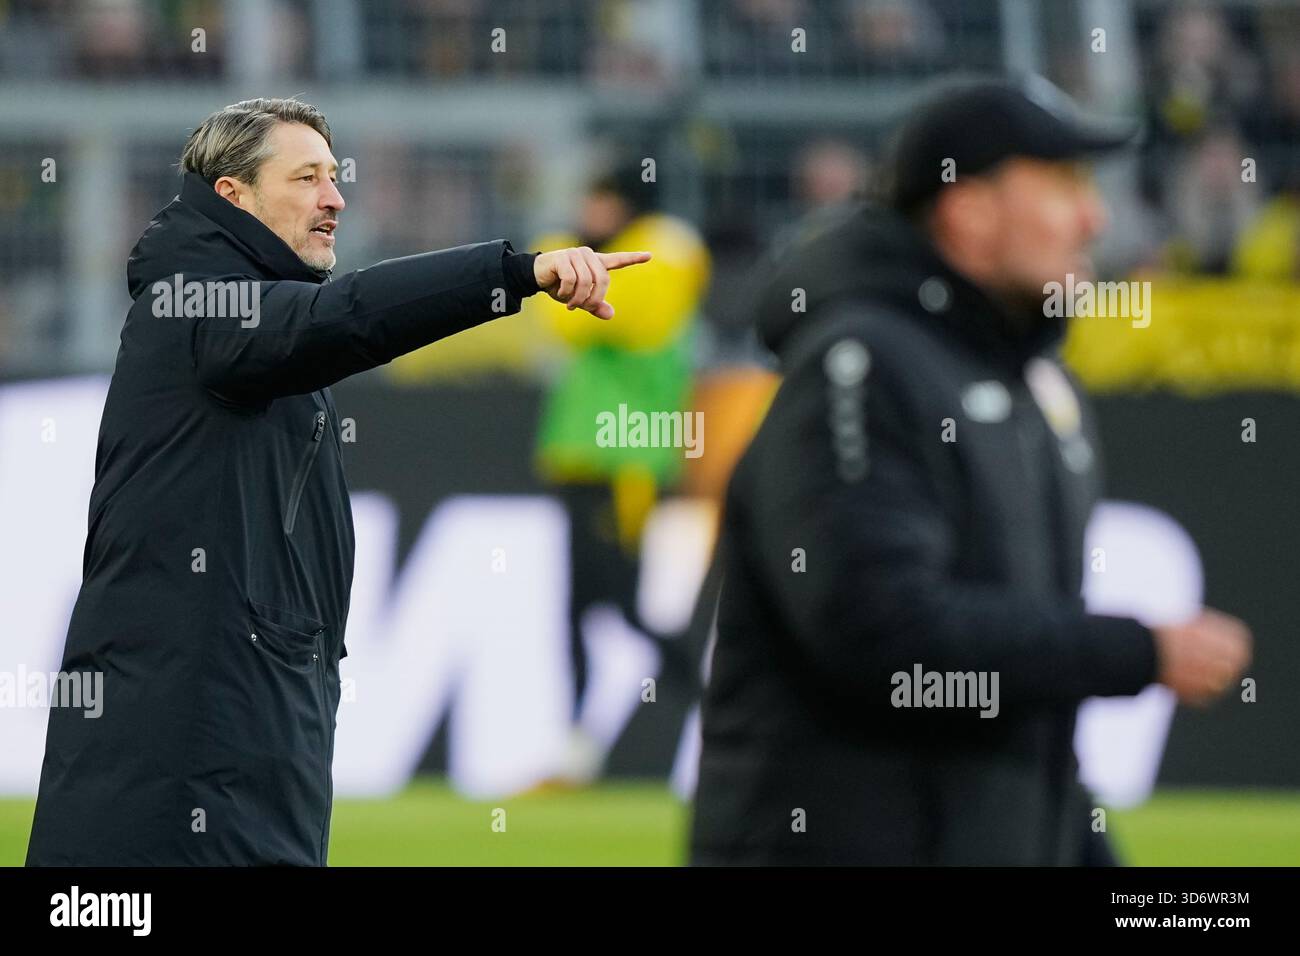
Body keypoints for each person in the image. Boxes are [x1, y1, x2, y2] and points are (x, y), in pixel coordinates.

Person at [26, 97, 649, 866]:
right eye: (308, 178)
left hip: (244, 727)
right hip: (188, 743)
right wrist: (513, 274)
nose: (335, 198)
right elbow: (347, 317)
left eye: (336, 176)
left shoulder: (252, 313)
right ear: (235, 196)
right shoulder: (196, 303)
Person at [688, 76, 1253, 866]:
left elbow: (1019, 716)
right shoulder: (861, 366)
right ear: (969, 209)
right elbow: (883, 636)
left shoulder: (1031, 389)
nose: (1094, 217)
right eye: (1064, 186)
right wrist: (1135, 652)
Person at [525, 162, 710, 785]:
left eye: (599, 198)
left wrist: (562, 265)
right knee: (577, 607)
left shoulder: (669, 250)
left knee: (626, 607)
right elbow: (556, 315)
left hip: (627, 457)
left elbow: (599, 315)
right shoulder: (603, 253)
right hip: (581, 458)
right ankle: (575, 753)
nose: (589, 210)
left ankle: (723, 711)